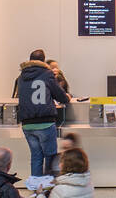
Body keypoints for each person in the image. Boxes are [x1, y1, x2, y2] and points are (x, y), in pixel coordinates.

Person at [12, 49, 71, 178]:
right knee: (50, 158)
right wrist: (67, 97)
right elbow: (60, 95)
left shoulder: (21, 76)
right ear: (43, 61)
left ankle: (36, 190)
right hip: (45, 122)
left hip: (27, 125)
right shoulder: (46, 73)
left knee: (36, 157)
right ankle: (48, 189)